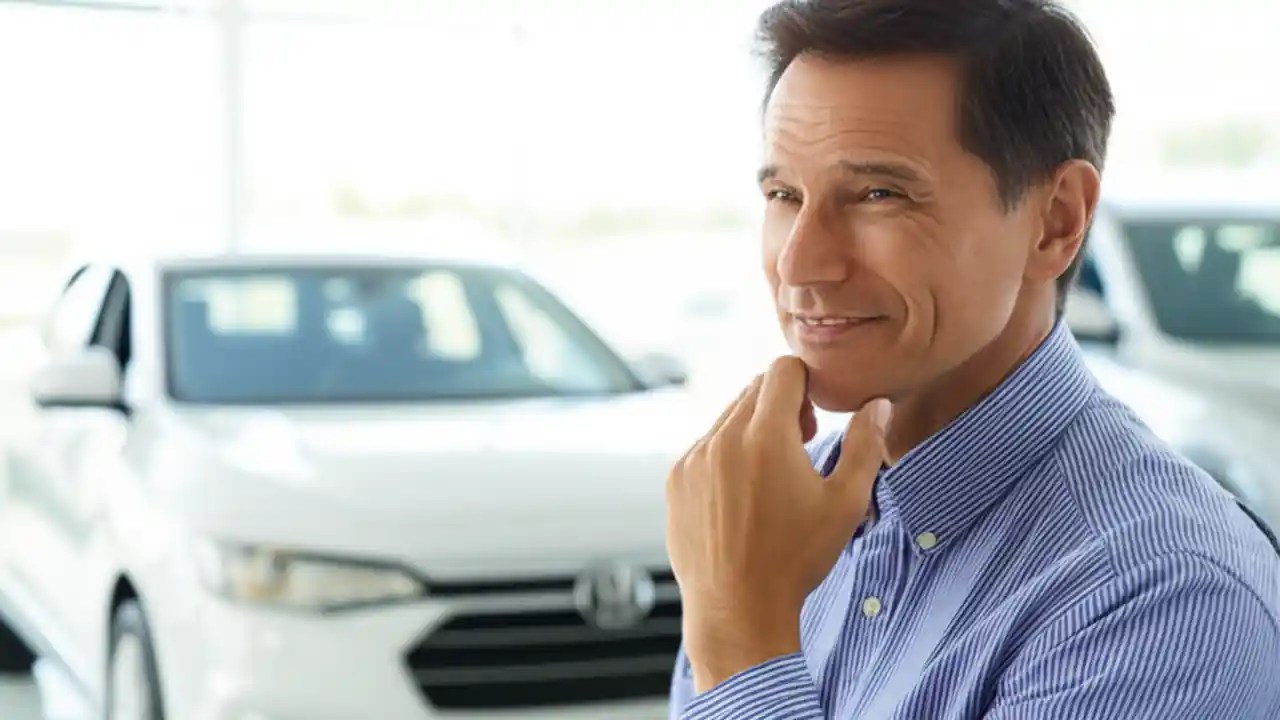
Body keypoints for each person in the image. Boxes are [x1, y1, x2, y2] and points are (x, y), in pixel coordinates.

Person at [664, 1, 1280, 718]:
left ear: (1055, 221)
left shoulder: (1163, 596)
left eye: (878, 194)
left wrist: (740, 641)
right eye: (784, 195)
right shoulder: (769, 519)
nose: (799, 263)